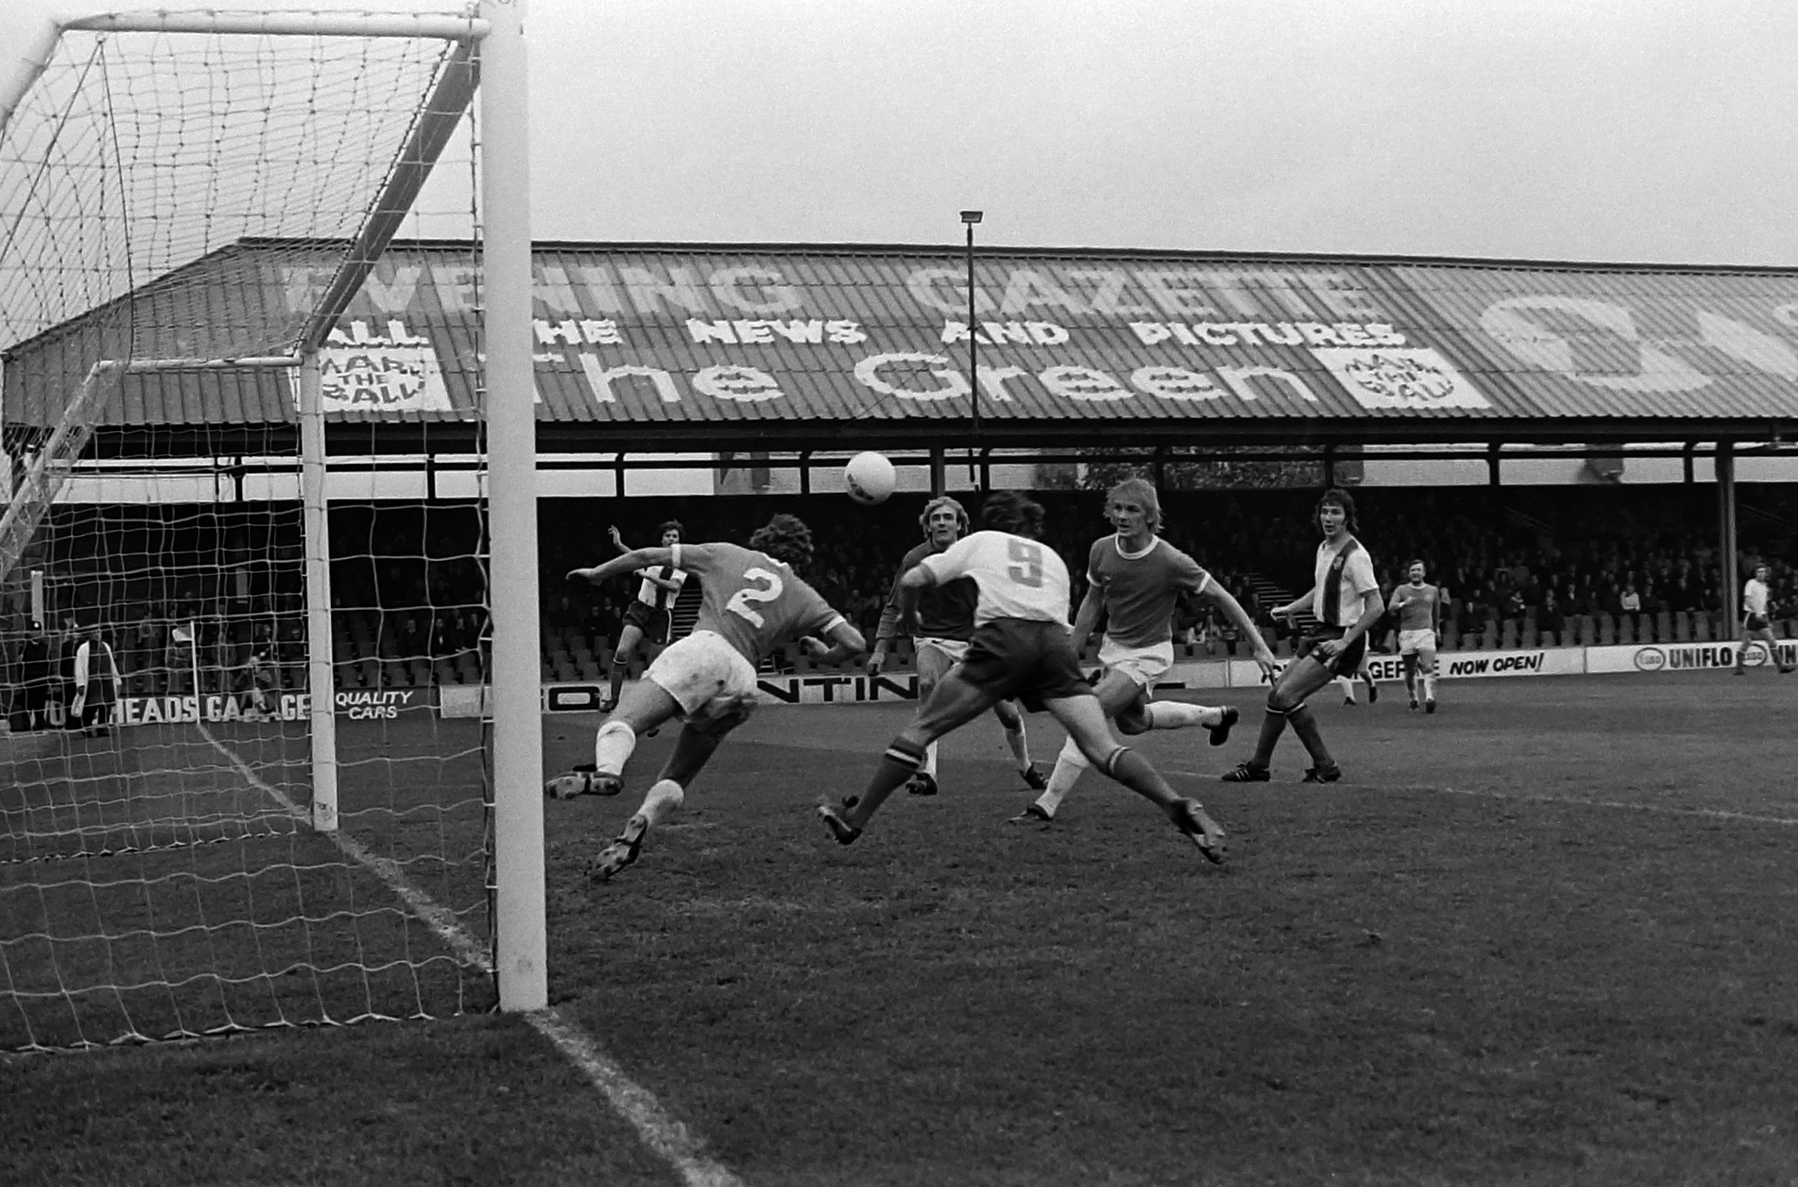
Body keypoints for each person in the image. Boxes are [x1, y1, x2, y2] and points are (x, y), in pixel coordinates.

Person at [818, 490, 1227, 862]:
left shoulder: (980, 541)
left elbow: (912, 579)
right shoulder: (1051, 559)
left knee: (923, 728)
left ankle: (856, 817)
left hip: (1002, 640)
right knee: (1102, 746)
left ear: (988, 521)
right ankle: (1178, 804)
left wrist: (911, 618)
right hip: (1053, 647)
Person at [549, 513, 865, 881]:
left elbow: (647, 556)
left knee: (622, 722)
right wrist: (823, 654)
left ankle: (608, 772)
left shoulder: (727, 554)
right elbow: (855, 643)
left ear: (760, 541)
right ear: (802, 557)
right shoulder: (803, 594)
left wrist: (597, 573)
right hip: (744, 682)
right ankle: (638, 826)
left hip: (705, 650)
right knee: (679, 774)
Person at [1010, 477, 1274, 824]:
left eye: (1132, 509)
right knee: (1134, 723)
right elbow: (1093, 601)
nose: (1122, 515)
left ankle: (1046, 804)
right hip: (1114, 649)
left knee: (1091, 712)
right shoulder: (1101, 549)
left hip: (1149, 653)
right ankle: (1213, 717)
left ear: (1150, 517)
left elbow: (1222, 597)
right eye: (1117, 508)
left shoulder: (1171, 560)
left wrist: (1260, 646)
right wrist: (1070, 650)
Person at [868, 495, 1044, 797]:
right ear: (927, 526)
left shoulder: (974, 555)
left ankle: (1025, 766)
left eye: (948, 517)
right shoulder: (915, 558)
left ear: (960, 525)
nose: (941, 523)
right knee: (927, 683)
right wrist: (880, 648)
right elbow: (893, 605)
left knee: (1009, 715)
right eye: (935, 518)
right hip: (932, 638)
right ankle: (928, 773)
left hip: (974, 642)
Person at [1223, 488, 1385, 784]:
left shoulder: (1356, 556)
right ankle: (1260, 766)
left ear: (1348, 518)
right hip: (1320, 630)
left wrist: (1345, 642)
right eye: (1325, 511)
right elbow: (1321, 589)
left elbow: (1376, 606)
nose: (1328, 517)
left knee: (1286, 694)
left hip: (1340, 636)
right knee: (1276, 694)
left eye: (1335, 512)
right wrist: (1291, 607)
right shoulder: (1324, 548)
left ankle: (1324, 764)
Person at [602, 520, 688, 711]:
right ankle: (613, 699)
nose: (671, 539)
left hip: (661, 616)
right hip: (641, 609)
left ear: (679, 541)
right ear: (662, 539)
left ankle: (653, 710)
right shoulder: (653, 557)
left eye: (675, 536)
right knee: (622, 652)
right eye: (668, 535)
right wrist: (618, 544)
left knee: (654, 667)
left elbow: (674, 586)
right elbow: (635, 556)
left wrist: (647, 576)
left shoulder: (681, 565)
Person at [1388, 559, 1442, 712]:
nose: (1415, 573)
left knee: (1427, 666)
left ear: (1424, 573)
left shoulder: (1432, 590)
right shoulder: (1401, 590)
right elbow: (1390, 608)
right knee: (1410, 669)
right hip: (1407, 634)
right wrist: (1404, 604)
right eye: (1413, 570)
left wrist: (1436, 629)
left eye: (1418, 570)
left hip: (1426, 632)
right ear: (1409, 574)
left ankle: (1430, 698)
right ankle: (1413, 698)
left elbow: (1436, 612)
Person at [1735, 562, 1794, 675]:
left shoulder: (1764, 586)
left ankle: (1781, 666)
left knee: (1771, 641)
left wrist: (1767, 616)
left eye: (1763, 571)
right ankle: (1738, 668)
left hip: (1761, 616)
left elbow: (1764, 603)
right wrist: (1757, 612)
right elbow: (1748, 600)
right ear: (1756, 573)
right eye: (1759, 572)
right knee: (1746, 642)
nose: (1762, 574)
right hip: (1751, 615)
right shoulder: (1750, 583)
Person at [69, 624, 121, 737]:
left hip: (106, 681)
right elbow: (79, 667)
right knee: (90, 706)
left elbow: (111, 664)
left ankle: (103, 728)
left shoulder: (106, 646)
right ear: (90, 634)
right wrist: (81, 683)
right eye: (95, 632)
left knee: (105, 705)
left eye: (99, 631)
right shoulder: (83, 649)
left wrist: (117, 679)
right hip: (92, 682)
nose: (98, 634)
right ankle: (86, 727)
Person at [19, 619, 54, 730]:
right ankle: (25, 725)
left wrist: (50, 681)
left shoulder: (44, 647)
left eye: (39, 631)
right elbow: (20, 666)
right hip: (29, 682)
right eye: (34, 631)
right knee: (27, 705)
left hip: (41, 681)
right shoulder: (24, 647)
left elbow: (49, 664)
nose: (37, 633)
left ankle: (40, 724)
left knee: (40, 705)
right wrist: (20, 682)